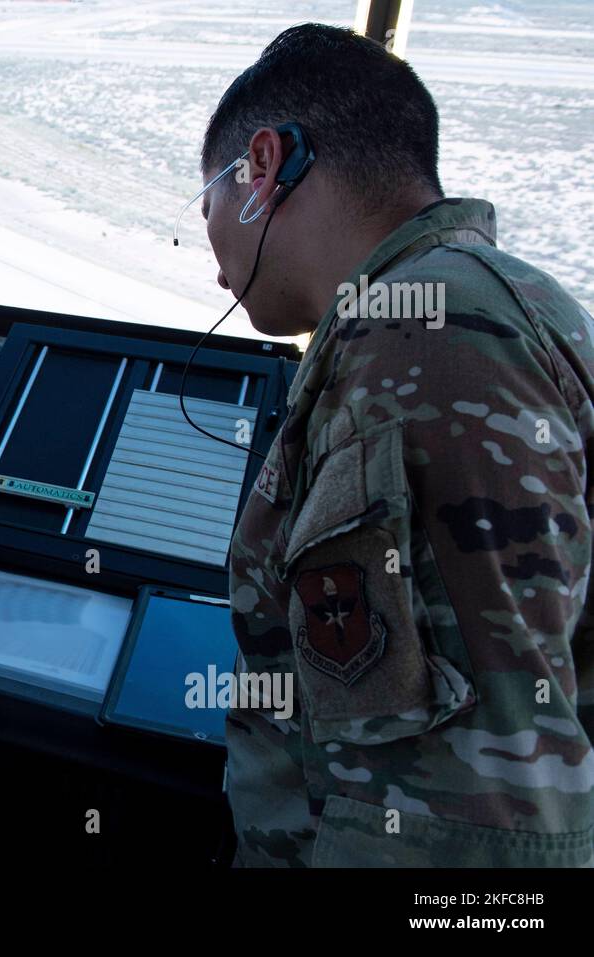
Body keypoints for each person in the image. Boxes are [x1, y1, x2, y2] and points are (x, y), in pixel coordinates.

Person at [193, 24, 594, 866]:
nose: (217, 268)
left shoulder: (420, 348)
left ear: (262, 168)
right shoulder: (497, 299)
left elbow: (468, 817)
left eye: (208, 210)